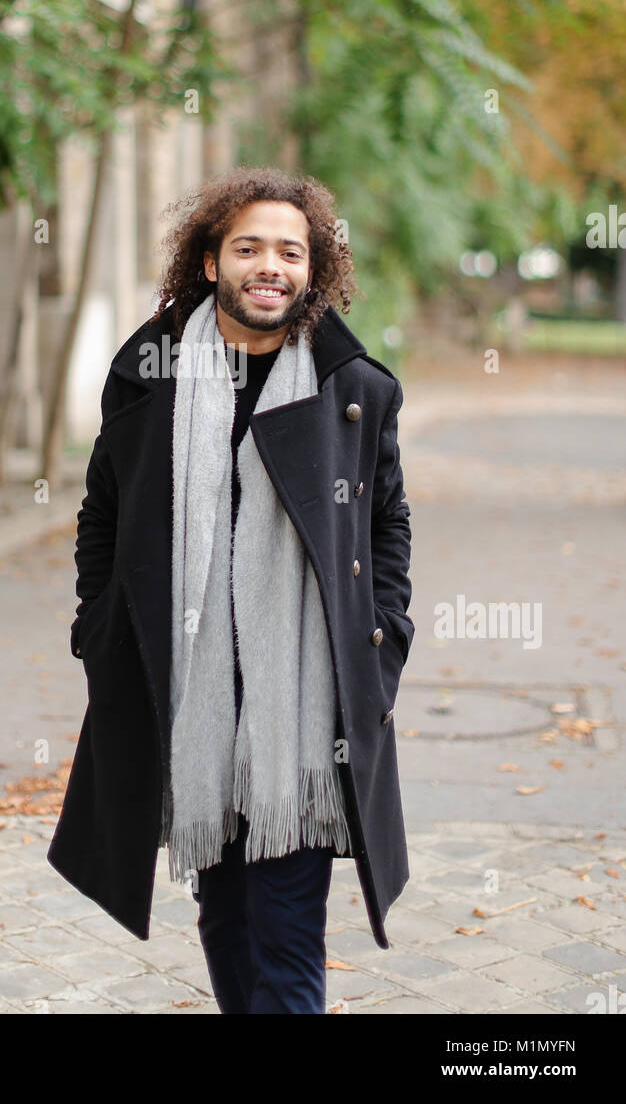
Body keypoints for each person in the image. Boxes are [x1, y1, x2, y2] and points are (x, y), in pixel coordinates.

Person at [47, 166, 414, 1014]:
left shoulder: (351, 390)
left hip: (302, 709)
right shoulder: (149, 373)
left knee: (286, 929)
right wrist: (97, 628)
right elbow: (101, 512)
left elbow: (387, 526)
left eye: (291, 251)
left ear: (313, 270)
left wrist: (384, 639)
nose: (270, 266)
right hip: (187, 697)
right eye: (249, 247)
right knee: (223, 913)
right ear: (210, 261)